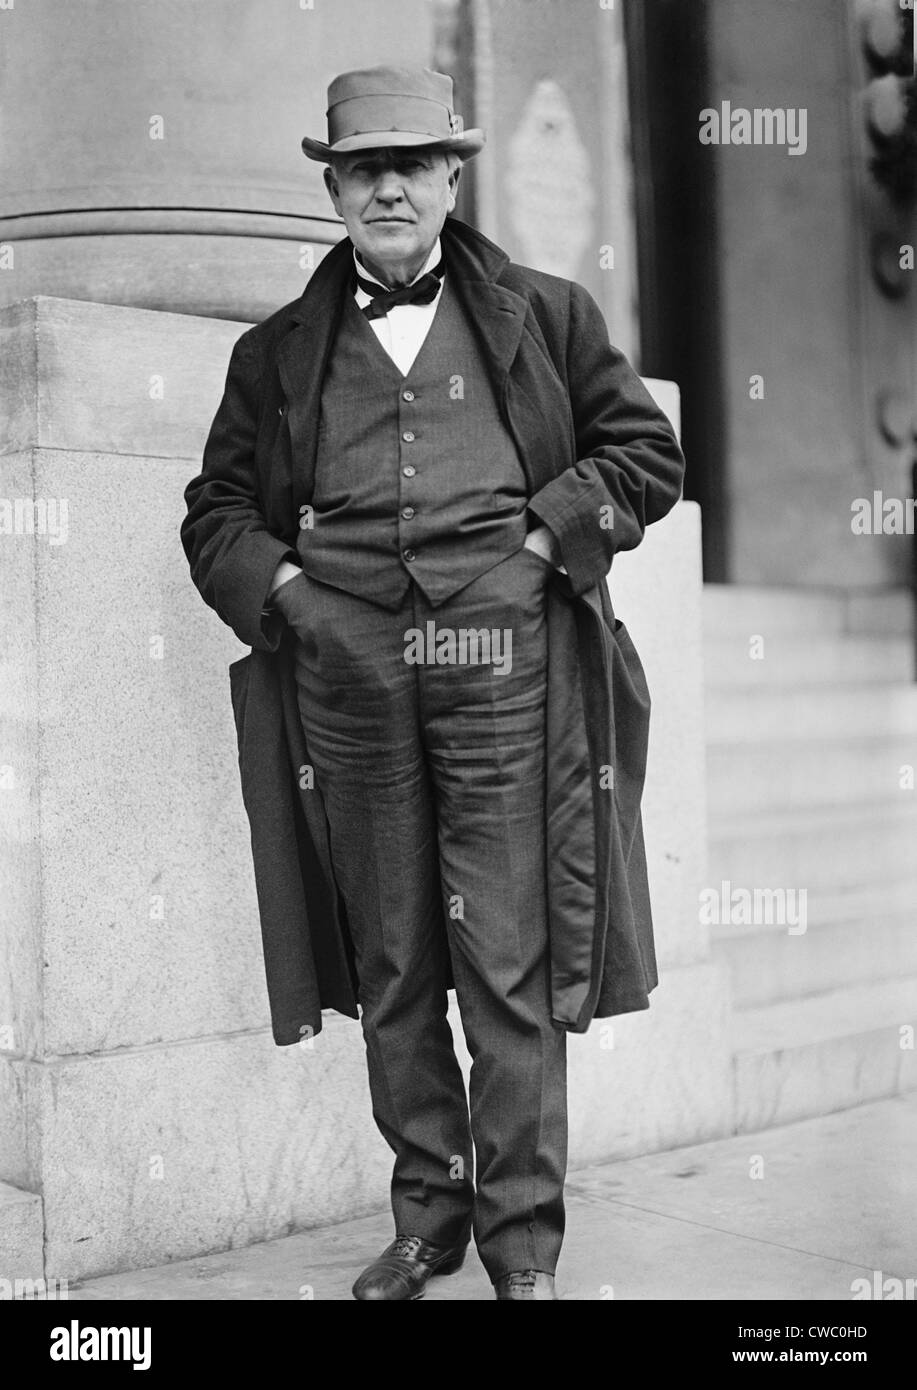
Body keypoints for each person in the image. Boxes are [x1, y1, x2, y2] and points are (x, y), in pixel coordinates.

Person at [181, 65, 685, 1301]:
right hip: (349, 691)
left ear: (455, 175)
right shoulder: (276, 354)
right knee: (394, 960)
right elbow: (217, 516)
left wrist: (532, 549)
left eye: (412, 162)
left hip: (505, 683)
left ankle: (521, 1250)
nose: (389, 185)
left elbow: (644, 455)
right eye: (364, 167)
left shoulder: (544, 314)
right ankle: (428, 1218)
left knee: (505, 963)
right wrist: (296, 603)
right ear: (334, 188)